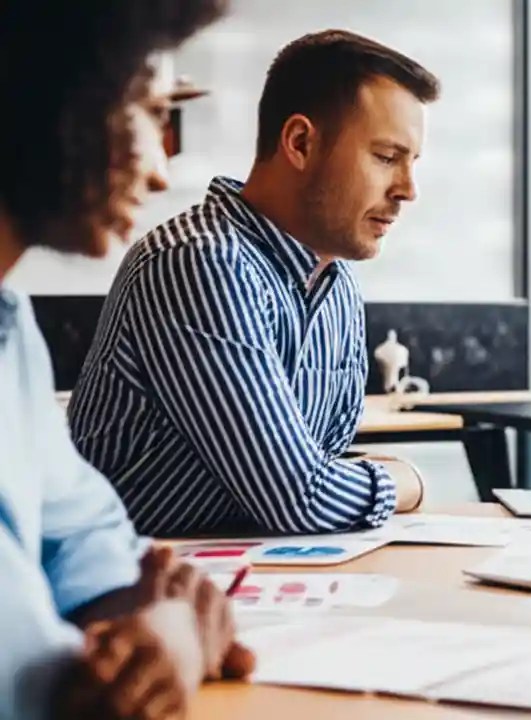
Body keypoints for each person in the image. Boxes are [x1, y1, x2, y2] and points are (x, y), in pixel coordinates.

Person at [68, 30, 441, 537]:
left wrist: (347, 481)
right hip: (131, 590)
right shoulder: (198, 262)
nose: (408, 190)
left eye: (411, 162)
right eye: (385, 157)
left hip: (262, 576)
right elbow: (300, 498)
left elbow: (318, 471)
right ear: (300, 143)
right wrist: (409, 479)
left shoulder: (336, 283)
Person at [0, 1, 253, 718]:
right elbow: (29, 684)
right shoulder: (199, 262)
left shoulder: (10, 332)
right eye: (146, 111)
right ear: (60, 100)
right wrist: (172, 637)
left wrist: (154, 612)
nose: (160, 170)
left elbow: (84, 532)